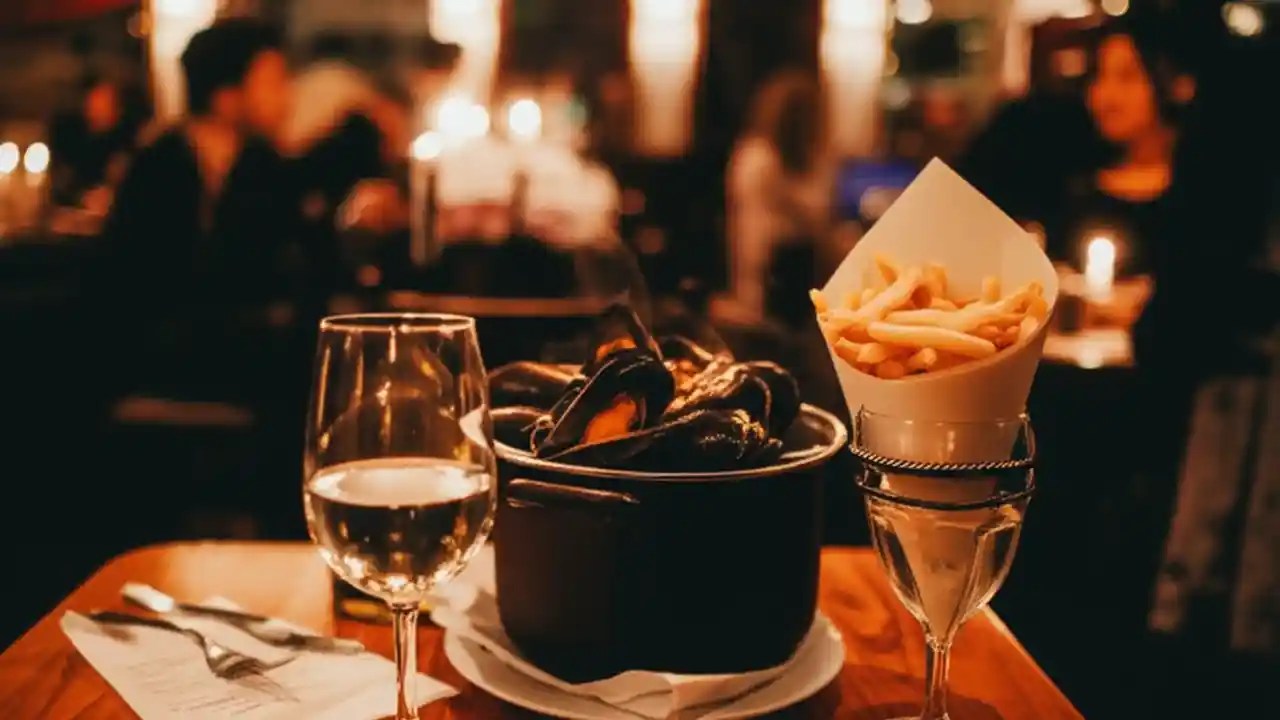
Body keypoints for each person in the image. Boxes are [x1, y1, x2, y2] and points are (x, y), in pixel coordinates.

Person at [99, 19, 298, 402]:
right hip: (162, 359)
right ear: (226, 96)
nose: (286, 97)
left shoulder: (263, 163)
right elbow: (135, 286)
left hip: (244, 352)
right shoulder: (160, 164)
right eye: (273, 83)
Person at [726, 70, 832, 324]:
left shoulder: (805, 160)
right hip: (771, 262)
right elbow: (810, 213)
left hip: (792, 263)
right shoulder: (759, 158)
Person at [47, 76, 140, 213]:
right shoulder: (73, 143)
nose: (99, 108)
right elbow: (62, 185)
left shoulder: (129, 142)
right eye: (95, 102)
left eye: (107, 103)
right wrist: (83, 197)